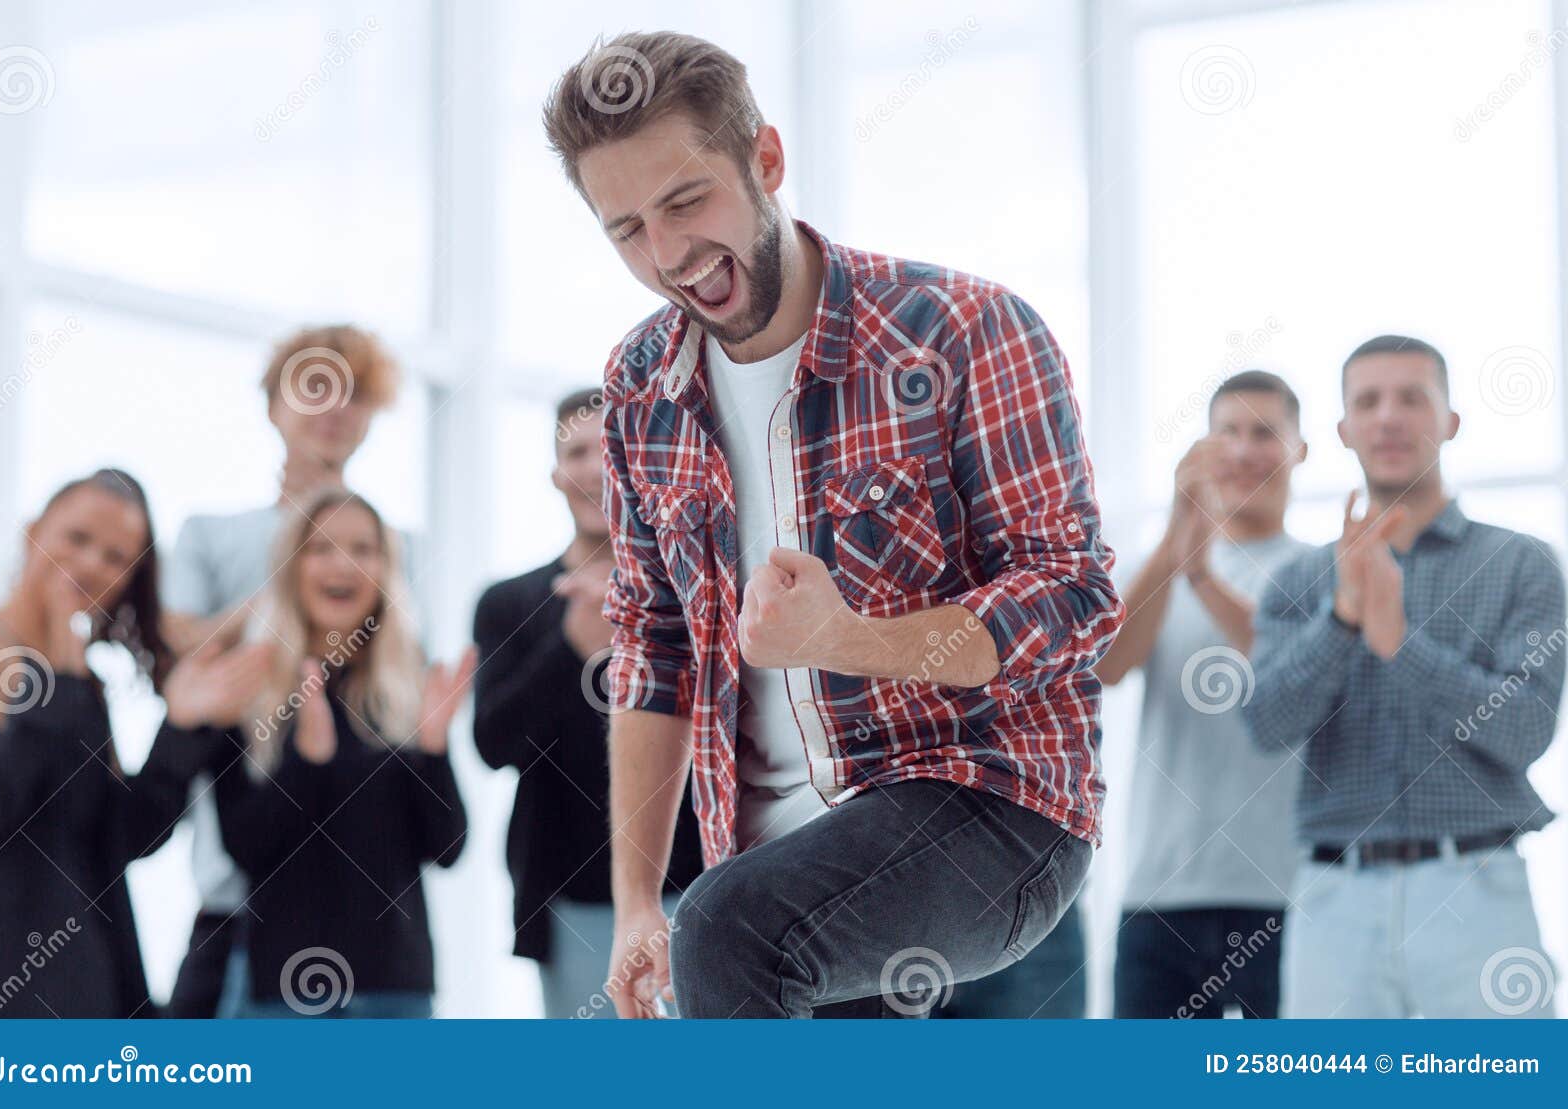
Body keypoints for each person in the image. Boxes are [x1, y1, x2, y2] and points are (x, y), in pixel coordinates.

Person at [543, 32, 1121, 1019]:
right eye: (627, 227)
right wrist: (639, 903)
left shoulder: (963, 329)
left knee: (730, 925)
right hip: (773, 872)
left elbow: (1070, 594)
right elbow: (654, 645)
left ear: (765, 160)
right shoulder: (638, 384)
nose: (668, 253)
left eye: (686, 201)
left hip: (989, 809)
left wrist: (844, 639)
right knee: (729, 924)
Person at [1245, 335, 1564, 1018]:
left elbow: (1528, 729)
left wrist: (1398, 643)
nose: (1389, 416)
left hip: (1478, 893)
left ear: (1449, 419)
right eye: (1368, 400)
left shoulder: (1523, 564)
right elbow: (1265, 723)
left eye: (1411, 398)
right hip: (1336, 899)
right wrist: (1341, 620)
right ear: (1343, 429)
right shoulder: (1300, 581)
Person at [162, 324, 404, 1018]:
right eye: (313, 389)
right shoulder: (212, 534)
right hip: (238, 869)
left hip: (357, 889)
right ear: (274, 405)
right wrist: (292, 563)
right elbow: (183, 657)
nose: (334, 409)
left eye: (354, 395)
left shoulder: (394, 547)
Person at [0, 469, 270, 1017]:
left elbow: (118, 838)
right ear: (33, 531)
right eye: (77, 539)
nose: (90, 566)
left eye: (115, 558)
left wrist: (181, 726)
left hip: (90, 987)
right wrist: (56, 680)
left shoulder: (84, 685)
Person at [473, 387, 705, 1019]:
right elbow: (495, 745)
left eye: (610, 448)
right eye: (577, 451)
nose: (596, 467)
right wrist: (572, 646)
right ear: (555, 474)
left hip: (699, 884)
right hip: (570, 895)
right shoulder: (510, 603)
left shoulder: (695, 592)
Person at [211, 489, 471, 1018]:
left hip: (394, 994)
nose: (343, 565)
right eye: (322, 548)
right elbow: (244, 847)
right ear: (292, 566)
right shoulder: (247, 689)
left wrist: (435, 750)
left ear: (384, 569)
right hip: (283, 994)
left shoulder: (407, 689)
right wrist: (307, 760)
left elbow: (446, 849)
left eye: (362, 548)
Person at [1097, 371, 1308, 1019]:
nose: (1245, 451)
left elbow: (1293, 671)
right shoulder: (1150, 568)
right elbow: (1105, 667)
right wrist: (1176, 540)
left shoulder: (1318, 570)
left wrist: (1204, 576)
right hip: (1161, 893)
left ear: (1299, 449)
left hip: (1287, 895)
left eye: (1265, 433)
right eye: (1229, 432)